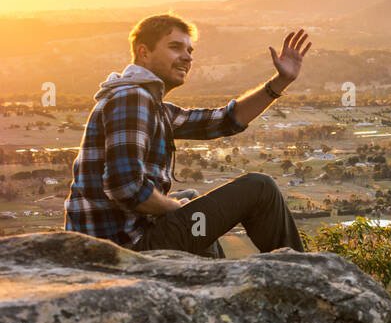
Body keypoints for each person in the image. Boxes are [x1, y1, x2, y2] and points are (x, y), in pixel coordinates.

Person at [65, 13, 313, 257]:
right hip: (124, 251)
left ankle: (212, 280)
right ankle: (302, 275)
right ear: (144, 52)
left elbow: (223, 121)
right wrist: (173, 207)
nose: (186, 58)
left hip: (116, 243)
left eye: (190, 51)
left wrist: (280, 82)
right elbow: (126, 188)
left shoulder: (149, 104)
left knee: (191, 199)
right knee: (260, 188)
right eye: (175, 47)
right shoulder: (133, 98)